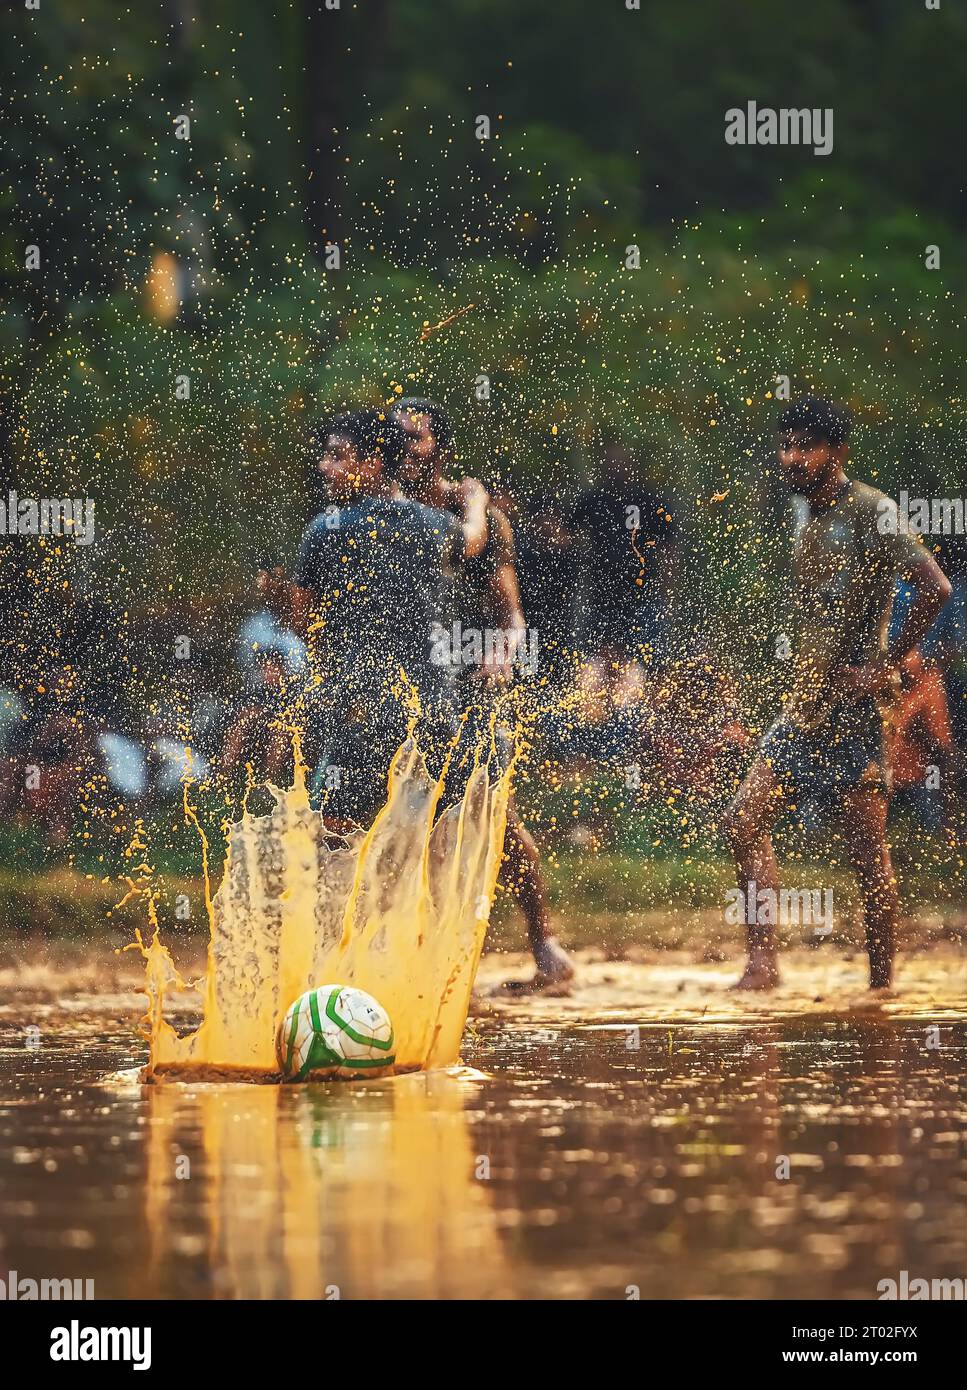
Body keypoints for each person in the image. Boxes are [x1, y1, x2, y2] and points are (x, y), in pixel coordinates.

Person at [721, 397, 951, 991]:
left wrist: (888, 664)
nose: (792, 457)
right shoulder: (805, 520)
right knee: (744, 819)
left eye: (807, 446)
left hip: (855, 712)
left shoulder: (872, 508)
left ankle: (881, 987)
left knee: (867, 852)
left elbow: (935, 585)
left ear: (838, 452)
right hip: (805, 707)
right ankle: (763, 966)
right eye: (787, 445)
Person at [393, 397, 574, 991]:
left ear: (438, 448)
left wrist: (500, 656)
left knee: (491, 815)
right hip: (403, 685)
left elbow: (511, 615)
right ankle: (413, 957)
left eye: (417, 439)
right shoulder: (378, 518)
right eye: (395, 439)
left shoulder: (477, 513)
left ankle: (543, 942)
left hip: (469, 681)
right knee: (402, 821)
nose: (406, 449)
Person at [290, 408, 487, 829]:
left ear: (373, 463)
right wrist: (477, 504)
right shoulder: (435, 525)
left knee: (338, 839)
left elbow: (302, 623)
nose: (325, 467)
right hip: (432, 711)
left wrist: (330, 671)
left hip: (361, 711)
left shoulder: (325, 530)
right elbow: (473, 540)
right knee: (443, 836)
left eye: (338, 456)